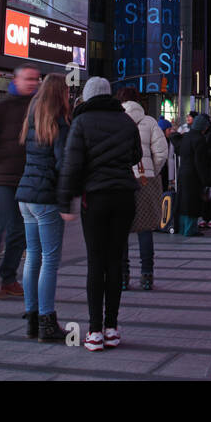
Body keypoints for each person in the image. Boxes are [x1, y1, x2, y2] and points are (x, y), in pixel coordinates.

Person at [57, 77, 141, 351]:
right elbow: (135, 155)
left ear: (88, 96)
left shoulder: (81, 122)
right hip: (124, 197)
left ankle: (94, 331)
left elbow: (71, 164)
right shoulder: (127, 121)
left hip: (95, 198)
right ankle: (112, 328)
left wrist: (65, 200)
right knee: (115, 261)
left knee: (96, 261)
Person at [0, 64, 40, 298]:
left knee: (21, 230)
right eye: (28, 78)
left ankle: (9, 278)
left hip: (29, 177)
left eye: (35, 79)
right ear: (17, 79)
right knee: (3, 225)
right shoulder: (0, 107)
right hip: (4, 178)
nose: (32, 83)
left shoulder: (37, 107)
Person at [16, 73, 72, 342]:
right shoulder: (59, 122)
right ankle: (47, 323)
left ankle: (32, 319)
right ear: (61, 94)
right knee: (49, 260)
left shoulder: (32, 118)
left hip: (25, 196)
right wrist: (67, 199)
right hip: (45, 197)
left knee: (33, 257)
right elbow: (63, 164)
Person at [119, 89, 169, 290]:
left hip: (122, 179)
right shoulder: (149, 122)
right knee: (145, 228)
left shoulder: (116, 120)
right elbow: (162, 152)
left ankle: (123, 276)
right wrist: (152, 171)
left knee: (121, 230)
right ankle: (147, 275)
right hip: (145, 179)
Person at [176, 113, 211, 237]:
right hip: (193, 176)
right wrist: (206, 181)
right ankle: (190, 230)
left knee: (183, 203)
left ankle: (183, 228)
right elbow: (200, 162)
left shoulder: (186, 137)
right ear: (203, 127)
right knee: (192, 204)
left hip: (183, 172)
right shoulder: (200, 139)